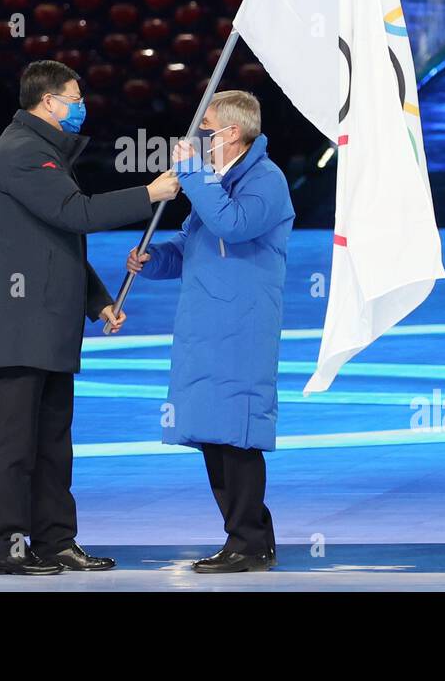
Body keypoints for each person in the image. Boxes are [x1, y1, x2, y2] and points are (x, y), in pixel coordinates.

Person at [0, 59, 180, 575]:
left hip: (47, 323)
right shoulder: (24, 153)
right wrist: (149, 194)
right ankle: (7, 546)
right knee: (16, 445)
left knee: (51, 445)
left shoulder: (43, 151)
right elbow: (78, 214)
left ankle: (55, 541)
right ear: (48, 102)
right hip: (22, 326)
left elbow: (57, 241)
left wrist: (98, 302)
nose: (80, 105)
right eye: (74, 96)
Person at [126, 91, 294, 573]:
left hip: (242, 325)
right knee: (213, 434)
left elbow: (234, 225)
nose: (199, 136)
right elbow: (193, 242)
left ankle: (248, 540)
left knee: (236, 434)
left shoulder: (266, 181)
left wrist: (193, 175)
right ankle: (248, 538)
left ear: (233, 133)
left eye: (207, 128)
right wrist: (154, 259)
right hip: (206, 324)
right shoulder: (215, 180)